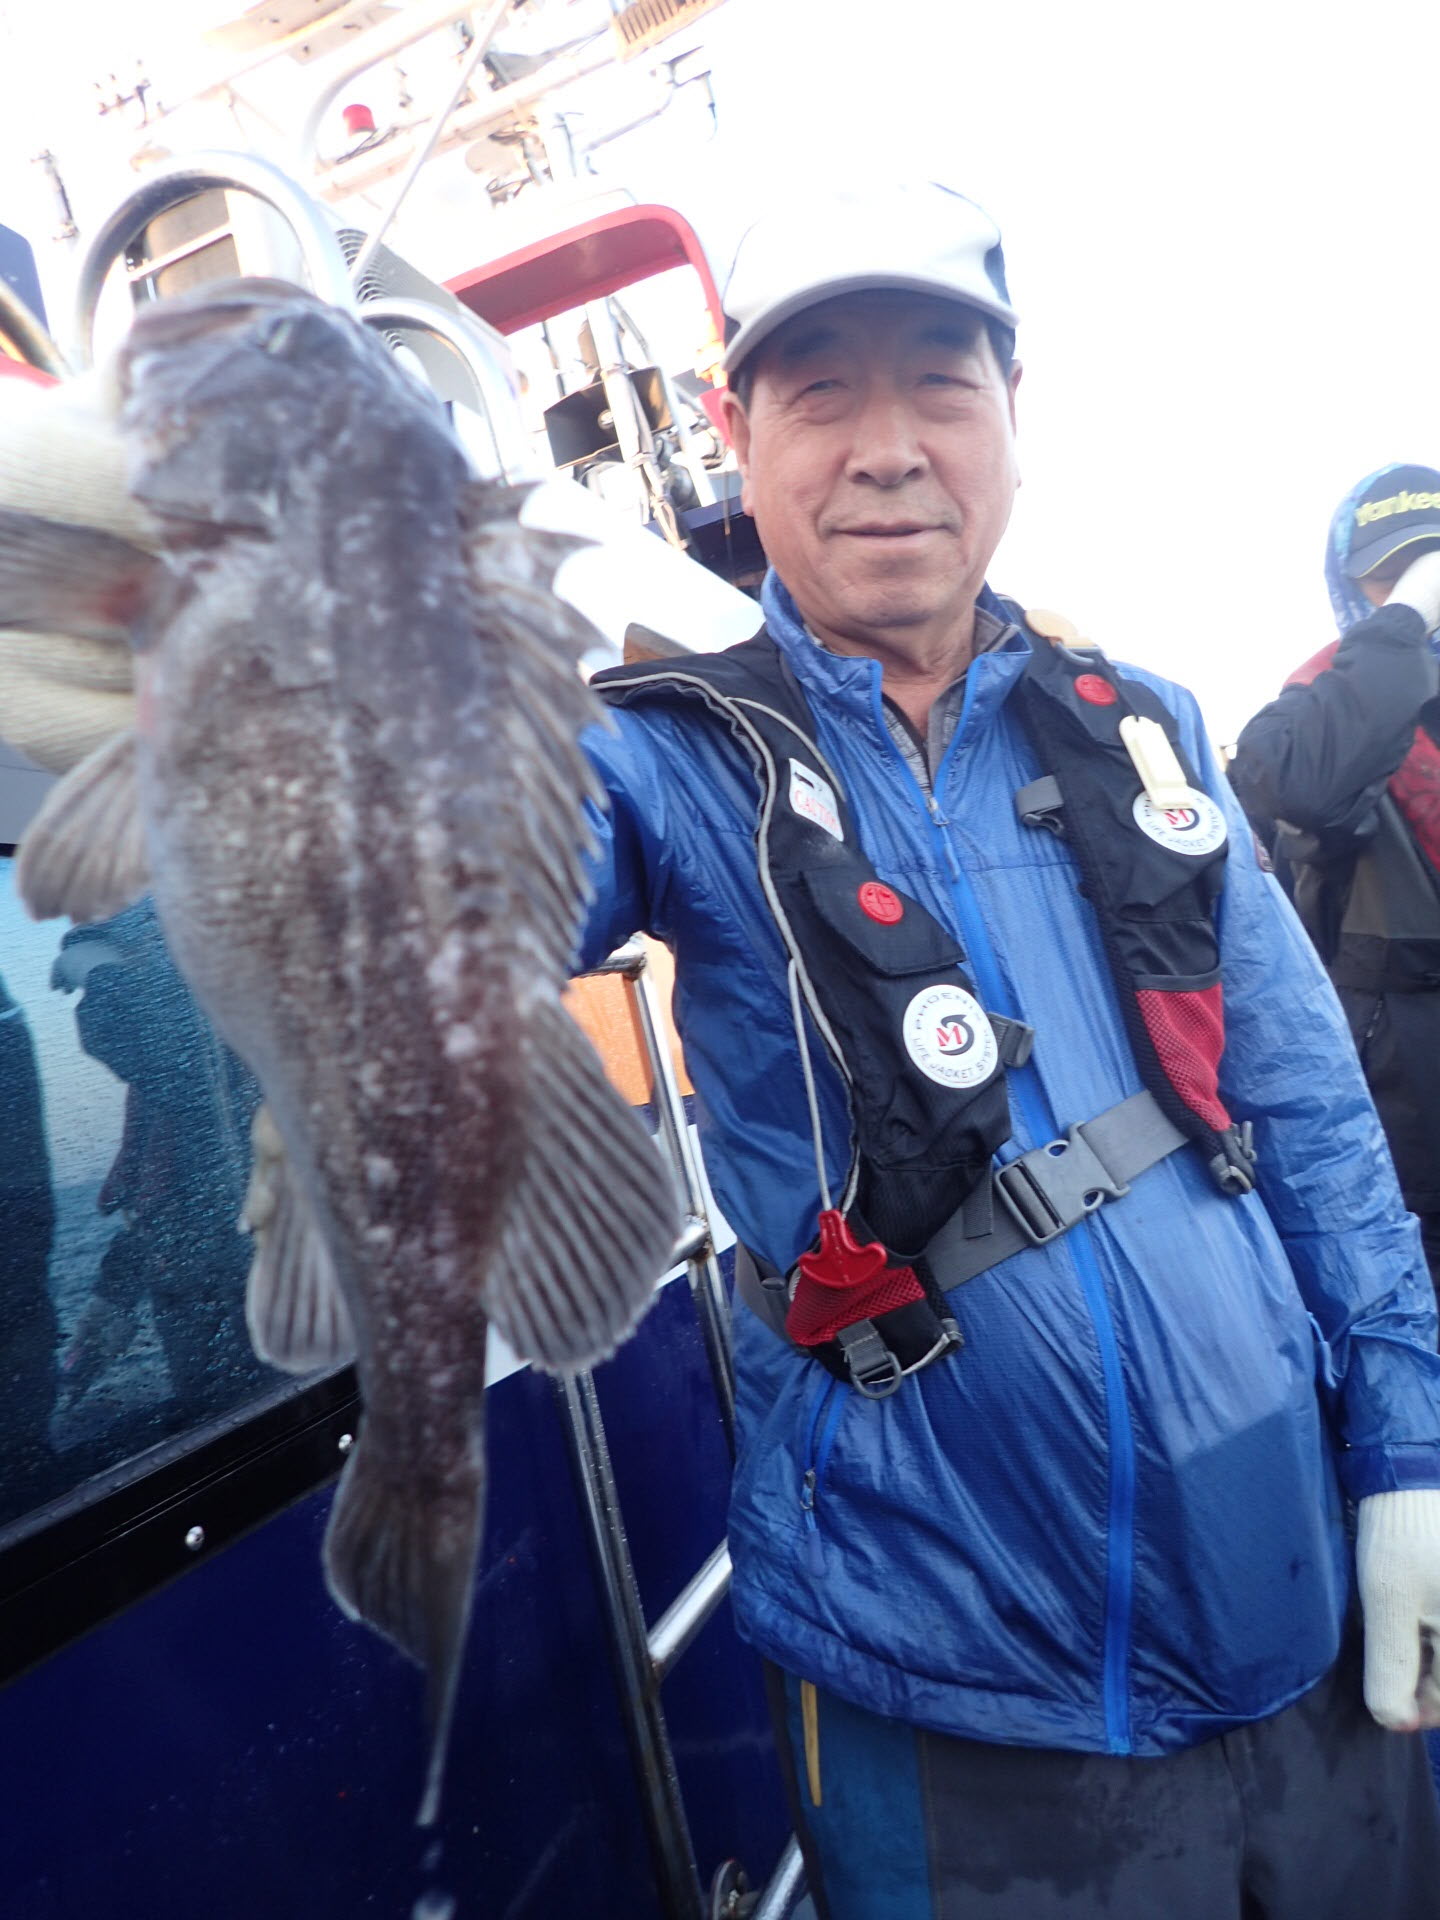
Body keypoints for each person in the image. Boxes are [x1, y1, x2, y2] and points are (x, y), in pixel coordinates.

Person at [572, 183, 1440, 1917]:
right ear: (740, 441)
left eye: (941, 388)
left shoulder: (1148, 725)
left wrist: (1408, 1454)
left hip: (1303, 1617)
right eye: (821, 396)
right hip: (956, 1696)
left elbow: (1310, 1122)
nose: (888, 450)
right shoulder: (656, 766)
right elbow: (467, 884)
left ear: (1015, 425)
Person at [1229, 468, 1440, 1294]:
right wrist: (1401, 628)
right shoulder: (1333, 691)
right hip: (1400, 1059)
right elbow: (1290, 783)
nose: (1422, 583)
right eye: (1393, 570)